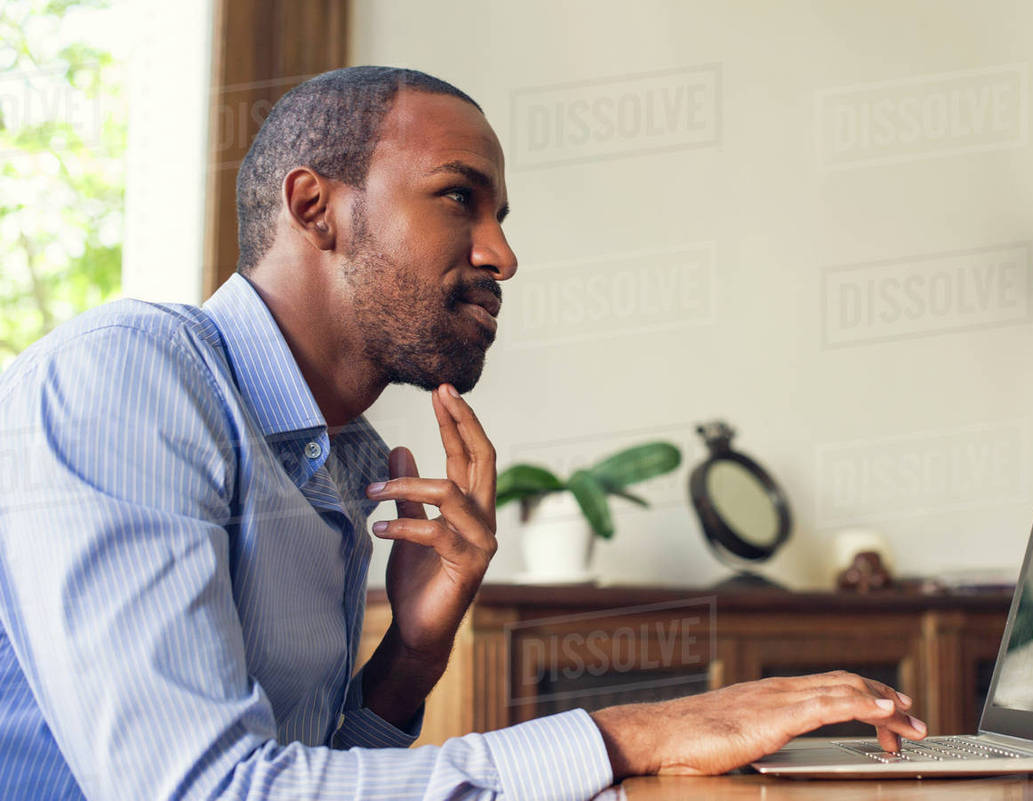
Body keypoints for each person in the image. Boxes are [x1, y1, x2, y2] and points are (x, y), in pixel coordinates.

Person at [0, 66, 926, 800]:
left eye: (501, 217)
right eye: (458, 198)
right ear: (315, 208)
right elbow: (201, 790)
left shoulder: (349, 459)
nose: (502, 254)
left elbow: (311, 775)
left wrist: (411, 655)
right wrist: (632, 731)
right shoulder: (123, 380)